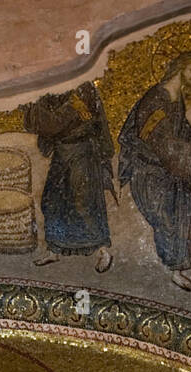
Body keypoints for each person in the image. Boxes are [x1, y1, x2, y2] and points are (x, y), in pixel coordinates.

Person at [118, 52, 191, 291]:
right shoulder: (157, 98)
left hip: (169, 167)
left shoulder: (176, 98)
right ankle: (177, 271)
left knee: (190, 212)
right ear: (179, 69)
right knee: (168, 218)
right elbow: (159, 142)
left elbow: (182, 133)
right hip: (149, 169)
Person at [23, 82, 116, 273]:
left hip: (82, 152)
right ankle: (54, 248)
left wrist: (32, 105)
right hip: (62, 152)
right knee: (52, 200)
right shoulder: (54, 88)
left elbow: (53, 123)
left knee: (84, 201)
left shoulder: (82, 89)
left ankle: (102, 250)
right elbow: (37, 123)